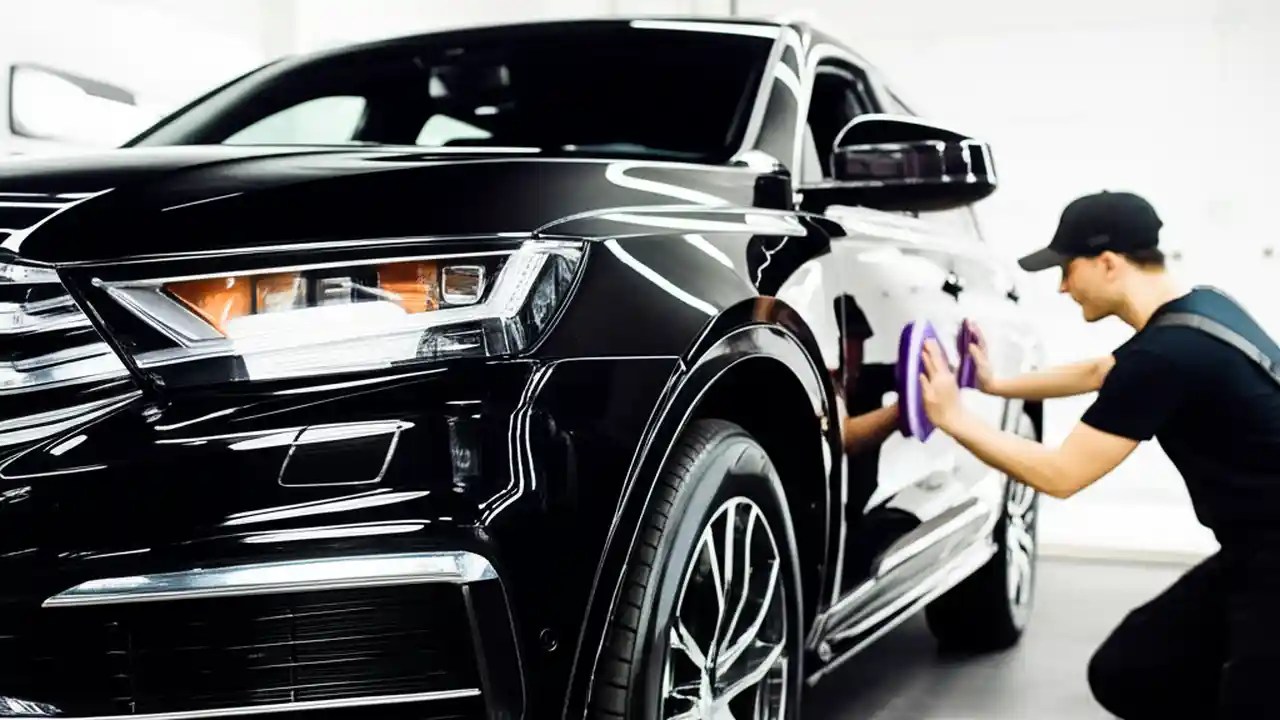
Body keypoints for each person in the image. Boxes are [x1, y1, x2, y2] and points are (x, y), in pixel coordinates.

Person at [916, 190, 1280, 719]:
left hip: (1272, 561)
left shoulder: (1164, 356)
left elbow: (1061, 474)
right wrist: (994, 385)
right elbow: (1098, 371)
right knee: (1128, 669)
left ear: (1108, 263)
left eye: (1067, 269)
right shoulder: (1202, 310)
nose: (1062, 287)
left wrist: (954, 419)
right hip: (1253, 551)